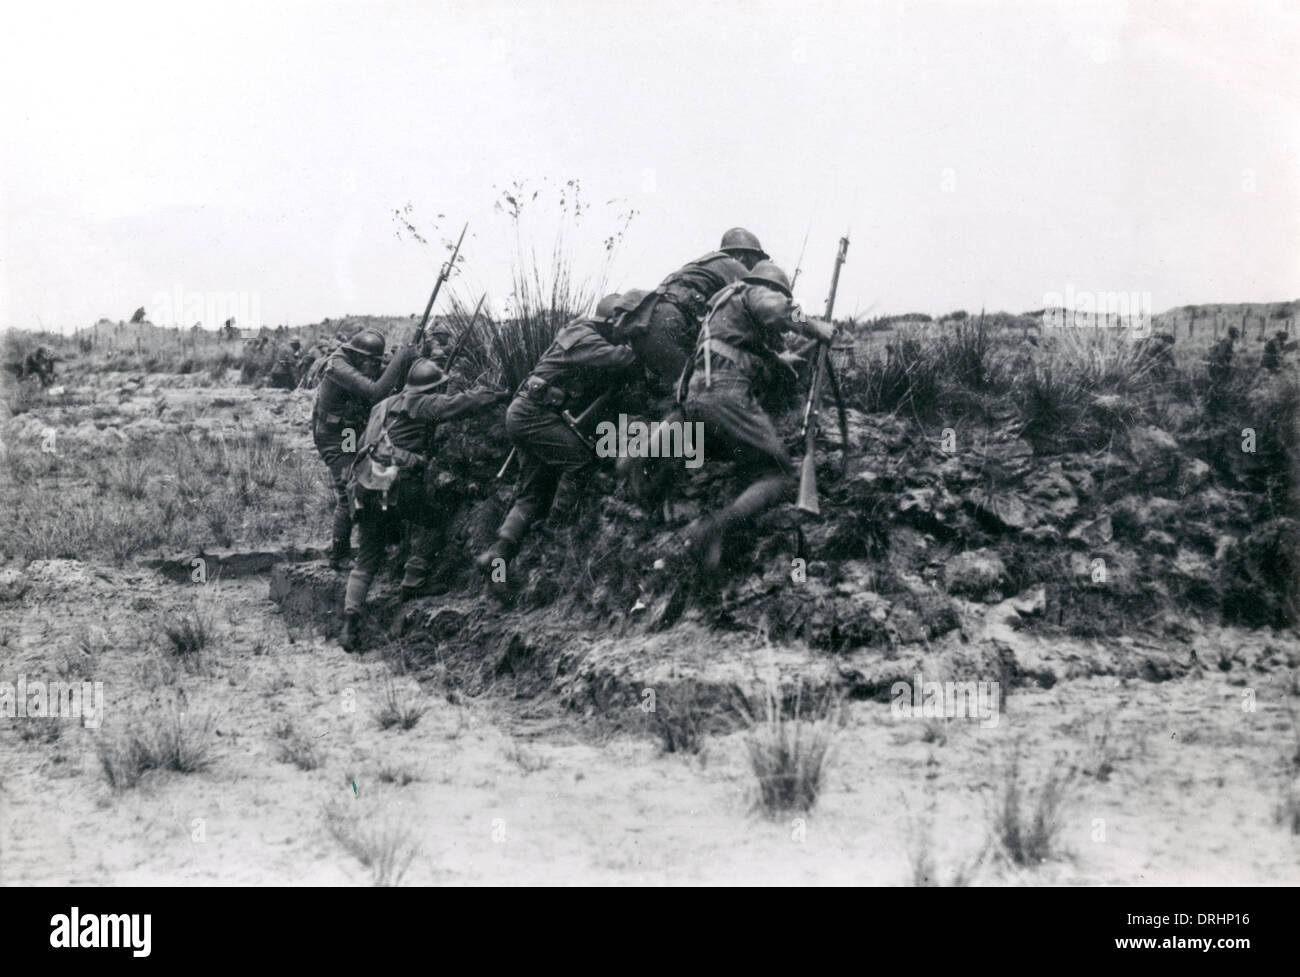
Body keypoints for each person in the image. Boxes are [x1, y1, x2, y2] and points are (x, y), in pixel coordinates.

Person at [678, 260, 836, 571]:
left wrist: (777, 358)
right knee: (778, 473)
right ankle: (712, 531)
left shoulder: (724, 305)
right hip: (727, 394)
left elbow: (735, 345)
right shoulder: (757, 291)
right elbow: (779, 310)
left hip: (698, 396)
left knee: (747, 460)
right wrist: (818, 328)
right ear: (773, 288)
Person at [339, 358, 507, 651]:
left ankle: (349, 624)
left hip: (367, 486)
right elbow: (459, 404)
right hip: (397, 484)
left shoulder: (383, 405)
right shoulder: (421, 404)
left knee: (366, 559)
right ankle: (414, 580)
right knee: (437, 520)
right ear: (430, 388)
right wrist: (497, 395)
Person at [474, 294, 639, 575]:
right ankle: (557, 529)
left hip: (529, 413)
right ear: (610, 322)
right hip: (533, 414)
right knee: (580, 462)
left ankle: (496, 562)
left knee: (531, 495)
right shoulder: (584, 337)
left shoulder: (582, 332)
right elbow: (620, 358)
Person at [613, 228, 770, 390]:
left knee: (659, 393)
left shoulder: (701, 265)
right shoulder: (733, 265)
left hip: (644, 327)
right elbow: (761, 308)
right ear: (742, 255)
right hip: (669, 326)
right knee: (695, 393)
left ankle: (623, 417)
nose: (754, 268)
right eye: (755, 260)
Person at [312, 330, 416, 568]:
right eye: (368, 360)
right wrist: (400, 358)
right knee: (347, 490)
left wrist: (402, 362)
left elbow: (391, 388)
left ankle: (382, 545)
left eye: (375, 362)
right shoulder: (338, 366)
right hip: (335, 436)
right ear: (356, 355)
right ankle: (339, 555)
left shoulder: (358, 364)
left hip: (352, 433)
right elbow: (376, 391)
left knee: (374, 481)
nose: (372, 365)